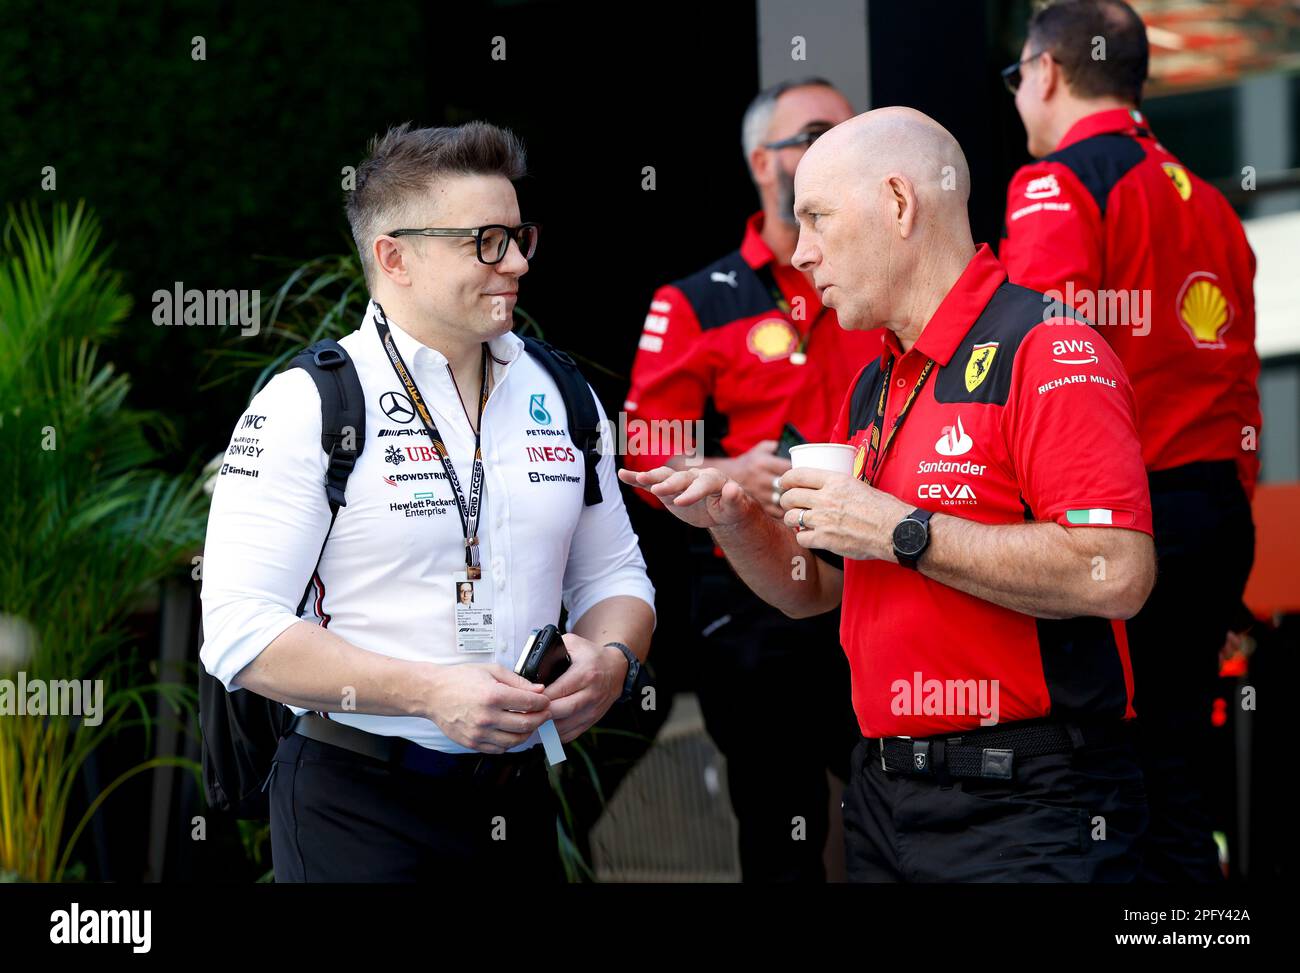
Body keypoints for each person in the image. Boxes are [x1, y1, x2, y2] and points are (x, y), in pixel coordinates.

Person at [621, 107, 1158, 882]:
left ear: (900, 204)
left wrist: (902, 529)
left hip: (1031, 800)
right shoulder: (878, 380)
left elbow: (1119, 571)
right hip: (885, 796)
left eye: (817, 219)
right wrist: (735, 520)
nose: (801, 252)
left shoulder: (1048, 346)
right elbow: (818, 589)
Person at [200, 121, 655, 882]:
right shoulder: (305, 404)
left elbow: (618, 579)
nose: (514, 262)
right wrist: (430, 691)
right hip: (356, 803)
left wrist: (610, 661)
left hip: (516, 802)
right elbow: (239, 634)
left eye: (519, 236)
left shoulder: (562, 390)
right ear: (394, 256)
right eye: (484, 241)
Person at [999, 0, 1260, 881]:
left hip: (1123, 525)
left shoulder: (1056, 183)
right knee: (1178, 776)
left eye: (1016, 78)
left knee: (1115, 787)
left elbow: (1044, 361)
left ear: (1045, 73)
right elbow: (1240, 387)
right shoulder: (1211, 202)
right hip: (1214, 511)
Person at [622, 77, 875, 881]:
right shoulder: (697, 300)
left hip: (883, 570)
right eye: (814, 136)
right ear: (764, 162)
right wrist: (734, 472)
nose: (836, 150)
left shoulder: (883, 282)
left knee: (901, 801)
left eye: (850, 135)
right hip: (753, 590)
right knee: (779, 821)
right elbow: (644, 456)